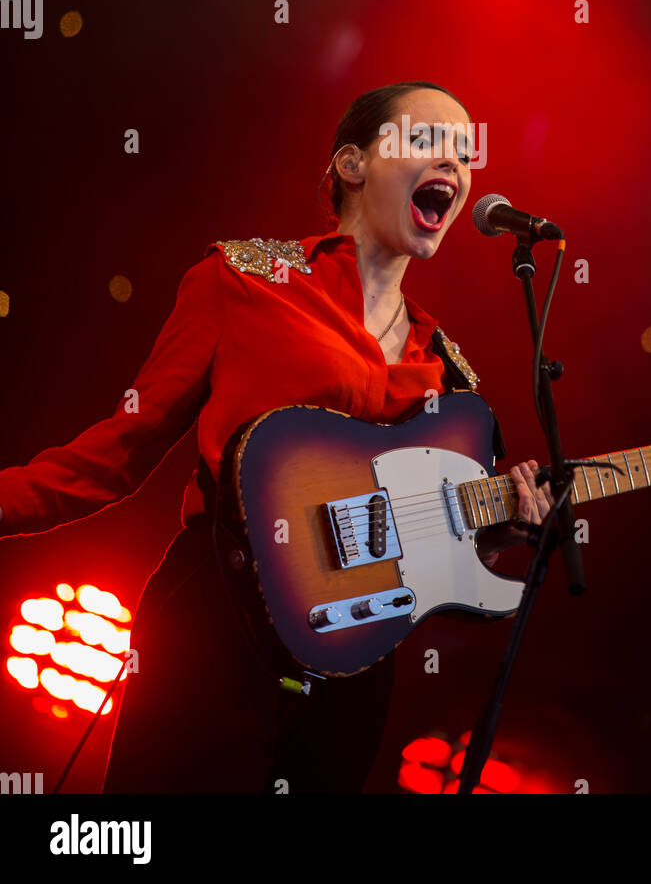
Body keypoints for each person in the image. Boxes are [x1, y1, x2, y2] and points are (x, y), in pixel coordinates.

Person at [0, 81, 553, 793]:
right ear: (352, 165)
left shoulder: (445, 366)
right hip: (220, 611)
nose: (453, 165)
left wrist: (502, 523)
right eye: (425, 142)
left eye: (465, 154)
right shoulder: (244, 277)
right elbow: (116, 454)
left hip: (356, 655)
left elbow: (430, 539)